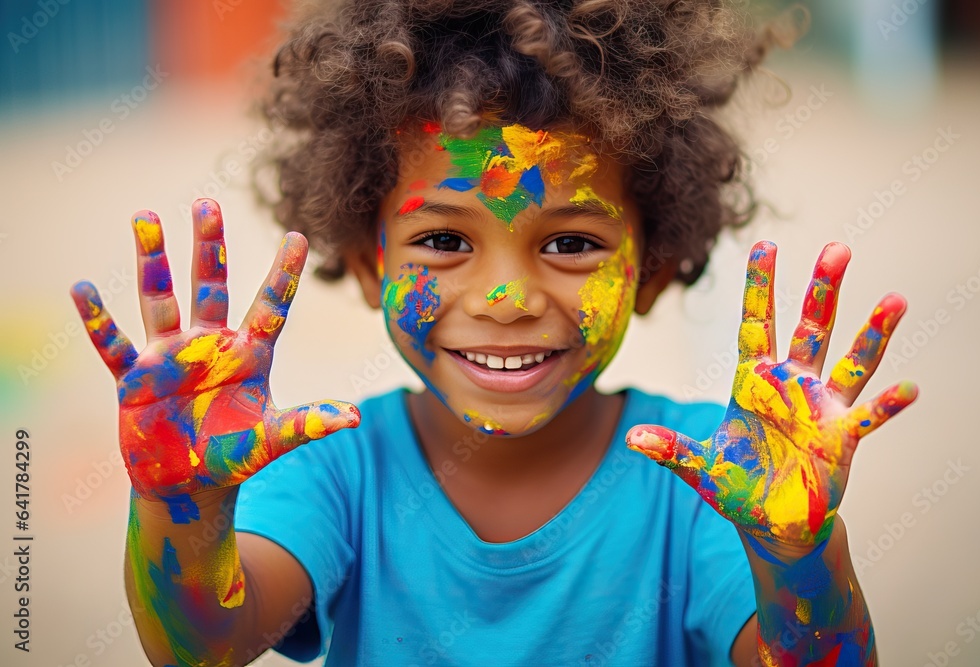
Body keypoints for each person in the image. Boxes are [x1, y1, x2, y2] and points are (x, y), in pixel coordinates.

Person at [70, 1, 917, 665]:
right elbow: (203, 648)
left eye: (571, 243)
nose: (507, 298)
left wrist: (797, 551)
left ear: (654, 267)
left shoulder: (711, 480)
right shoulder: (338, 472)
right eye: (443, 240)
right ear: (367, 264)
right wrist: (180, 506)